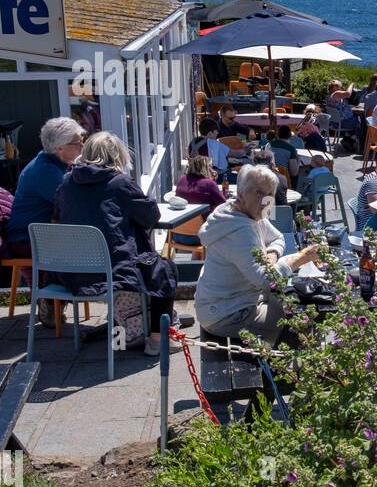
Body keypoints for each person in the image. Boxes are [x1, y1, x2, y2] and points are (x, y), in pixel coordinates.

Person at [53, 131, 183, 356]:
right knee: (165, 269)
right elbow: (151, 217)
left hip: (73, 273)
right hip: (111, 272)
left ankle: (129, 329)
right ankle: (157, 340)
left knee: (148, 265)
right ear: (117, 156)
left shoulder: (67, 182)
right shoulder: (119, 182)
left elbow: (57, 216)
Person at [195, 165, 320, 346]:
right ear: (241, 193)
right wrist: (300, 258)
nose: (264, 200)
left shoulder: (247, 214)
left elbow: (277, 237)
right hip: (226, 314)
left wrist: (272, 253)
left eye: (269, 194)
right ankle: (283, 371)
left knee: (298, 306)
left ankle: (285, 366)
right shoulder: (238, 230)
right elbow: (266, 281)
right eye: (258, 193)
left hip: (239, 301)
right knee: (301, 324)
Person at [5, 117, 87, 260]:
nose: (83, 147)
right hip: (28, 240)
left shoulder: (55, 163)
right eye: (78, 143)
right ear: (60, 147)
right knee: (92, 251)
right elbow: (74, 204)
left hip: (43, 236)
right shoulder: (45, 171)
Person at [173, 155, 227, 247]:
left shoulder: (182, 179)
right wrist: (213, 181)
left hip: (177, 233)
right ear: (205, 168)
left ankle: (196, 258)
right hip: (200, 235)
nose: (212, 169)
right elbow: (223, 204)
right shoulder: (208, 183)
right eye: (210, 166)